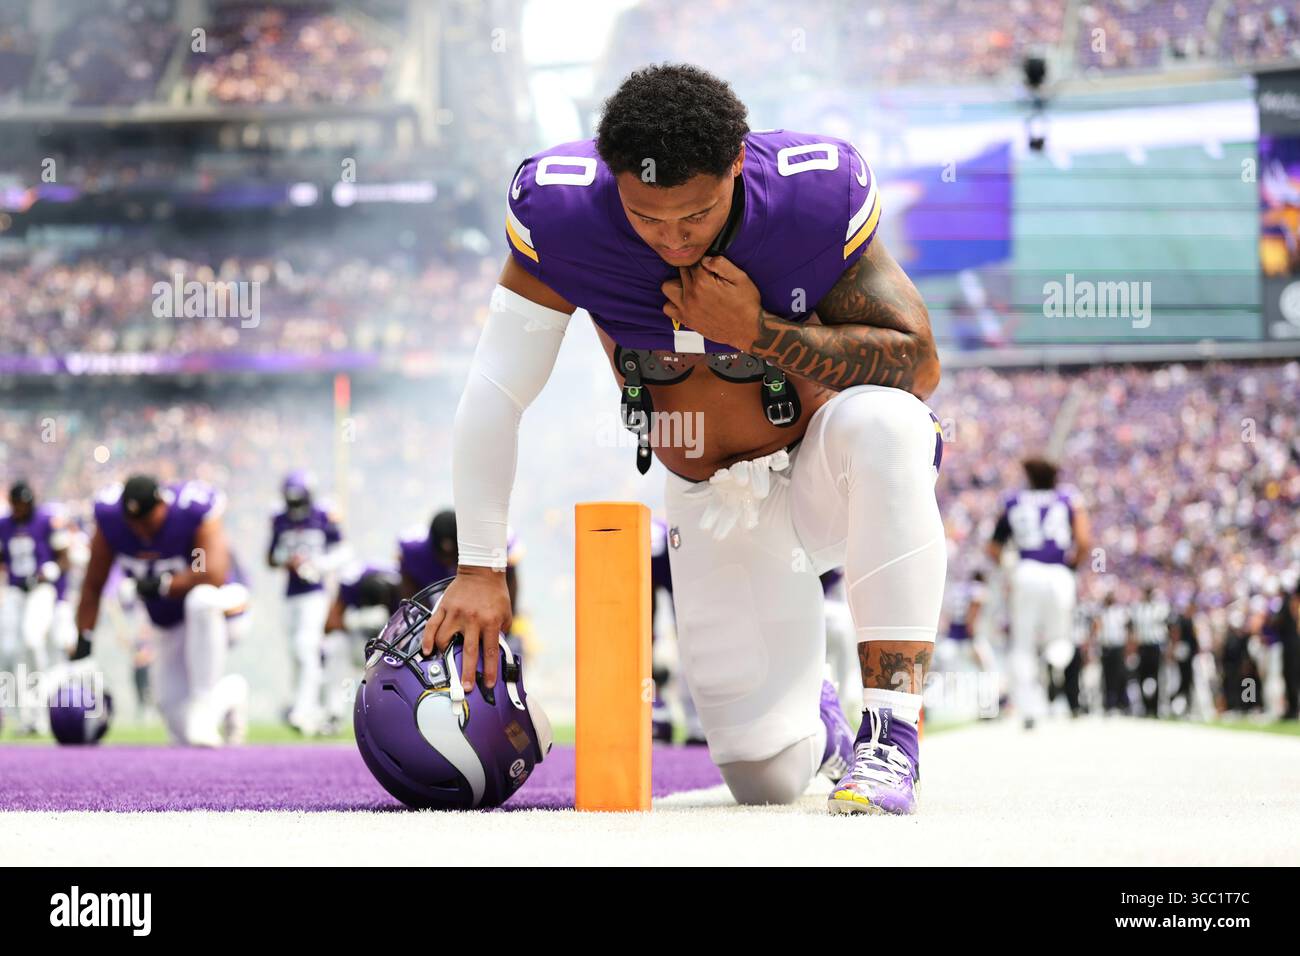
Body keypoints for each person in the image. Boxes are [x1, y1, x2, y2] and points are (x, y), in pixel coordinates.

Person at [426, 64, 944, 814]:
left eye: (694, 215)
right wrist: (479, 567)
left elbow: (918, 365)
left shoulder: (810, 196)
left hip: (821, 476)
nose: (672, 239)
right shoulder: (566, 214)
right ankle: (821, 722)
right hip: (710, 498)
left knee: (888, 422)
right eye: (647, 219)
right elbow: (495, 391)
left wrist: (759, 332)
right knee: (763, 779)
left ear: (737, 164)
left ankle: (891, 735)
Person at [74, 475, 249, 747]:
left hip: (222, 609)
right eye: (134, 523)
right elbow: (93, 586)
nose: (141, 530)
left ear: (161, 505)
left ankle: (205, 702)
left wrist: (162, 584)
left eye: (147, 520)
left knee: (200, 600)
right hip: (169, 623)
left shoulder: (189, 512)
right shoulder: (112, 522)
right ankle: (230, 694)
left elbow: (211, 572)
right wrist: (83, 645)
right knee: (179, 727)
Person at [987, 457, 1092, 730]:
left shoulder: (1014, 501)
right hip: (1058, 575)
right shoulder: (1069, 498)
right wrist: (1069, 568)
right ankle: (1054, 676)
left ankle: (1029, 707)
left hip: (1026, 572)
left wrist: (1010, 569)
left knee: (1022, 644)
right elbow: (1083, 542)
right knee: (1060, 641)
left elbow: (993, 548)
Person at [267, 469, 345, 736]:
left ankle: (304, 709)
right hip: (290, 595)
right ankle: (314, 709)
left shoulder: (323, 515)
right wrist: (286, 561)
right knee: (296, 653)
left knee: (306, 647)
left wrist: (317, 566)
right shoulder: (279, 519)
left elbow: (343, 551)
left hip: (315, 592)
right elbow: (270, 557)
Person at [0, 480, 71, 734]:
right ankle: (23, 716)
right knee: (8, 651)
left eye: (23, 504)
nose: (19, 509)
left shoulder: (46, 520)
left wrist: (51, 569)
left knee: (32, 640)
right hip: (16, 591)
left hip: (40, 590)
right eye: (15, 504)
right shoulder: (4, 525)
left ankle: (41, 710)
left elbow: (65, 556)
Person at [1131, 585, 1170, 718]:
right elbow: (1133, 629)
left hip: (1155, 646)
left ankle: (1155, 708)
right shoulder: (1138, 608)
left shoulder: (1159, 608)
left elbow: (1167, 626)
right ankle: (1145, 707)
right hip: (1143, 646)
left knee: (1156, 677)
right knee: (1142, 676)